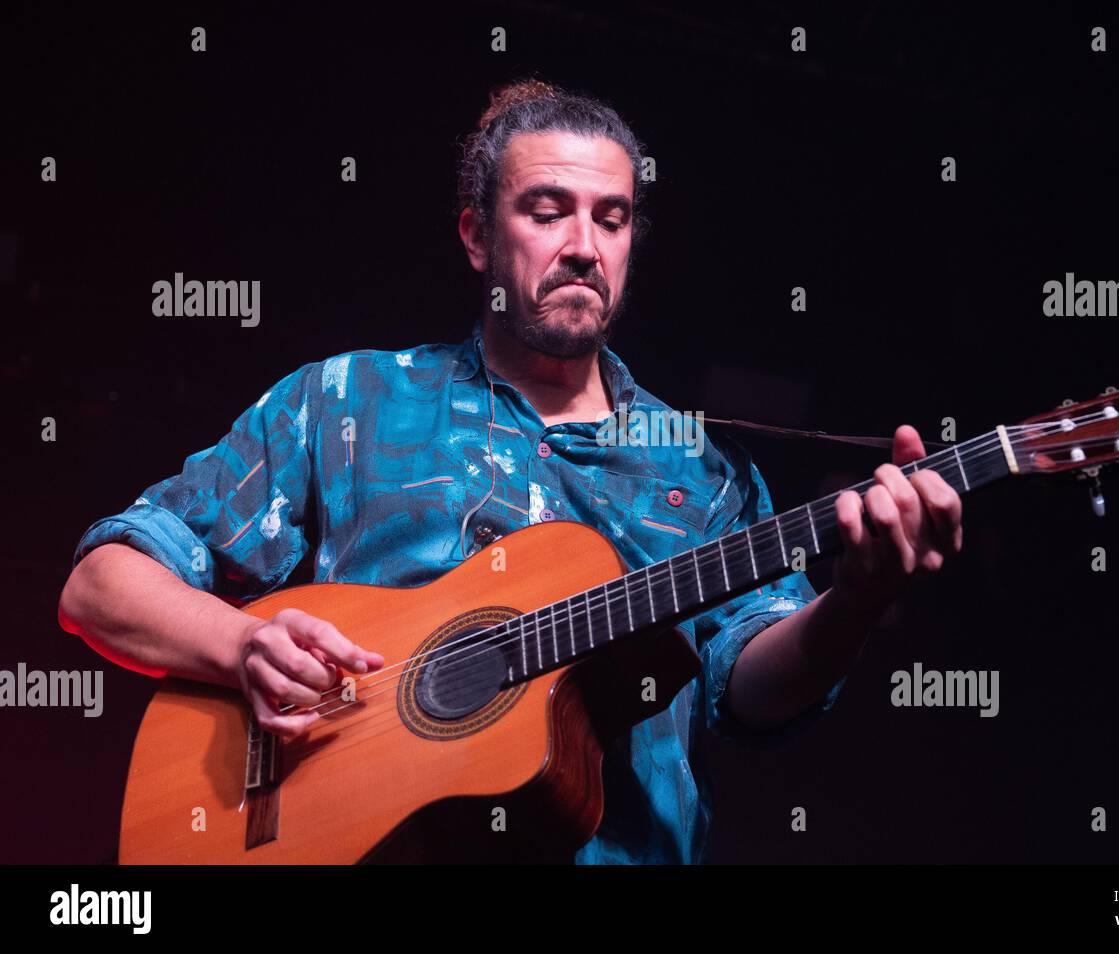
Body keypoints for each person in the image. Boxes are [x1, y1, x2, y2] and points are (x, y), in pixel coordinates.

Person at [57, 79, 963, 864]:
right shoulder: (345, 399)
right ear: (477, 237)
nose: (584, 245)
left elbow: (749, 695)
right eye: (546, 210)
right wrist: (241, 645)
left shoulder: (704, 470)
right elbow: (101, 586)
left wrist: (856, 602)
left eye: (611, 219)